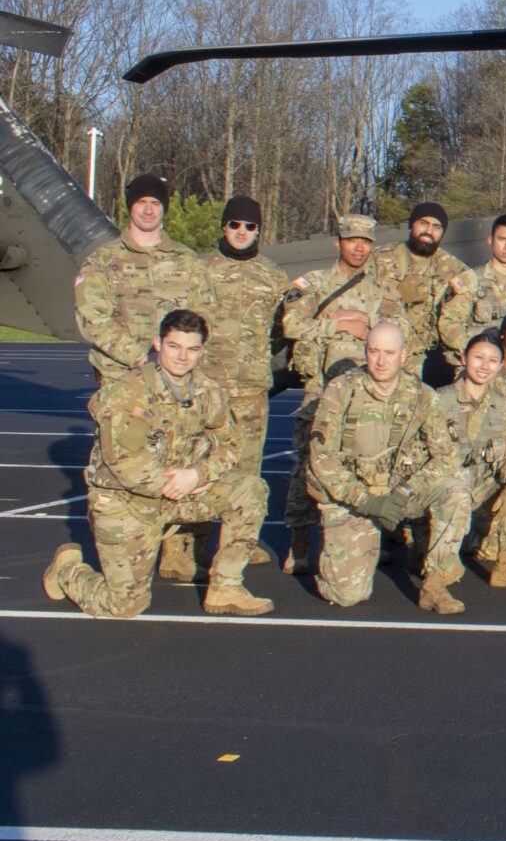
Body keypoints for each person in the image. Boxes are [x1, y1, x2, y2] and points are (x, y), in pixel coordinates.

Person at [43, 309, 272, 618]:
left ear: (202, 350)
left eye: (192, 349)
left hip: (180, 492)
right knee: (123, 606)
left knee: (251, 489)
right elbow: (123, 461)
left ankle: (226, 587)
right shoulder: (128, 393)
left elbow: (230, 444)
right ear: (157, 344)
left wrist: (197, 474)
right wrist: (173, 484)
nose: (182, 357)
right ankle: (68, 569)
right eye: (174, 346)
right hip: (127, 503)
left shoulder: (208, 391)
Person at [307, 320, 472, 614]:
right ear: (365, 352)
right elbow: (322, 457)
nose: (380, 361)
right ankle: (351, 545)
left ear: (403, 355)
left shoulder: (421, 395)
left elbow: (446, 455)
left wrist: (405, 491)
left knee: (455, 490)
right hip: (355, 497)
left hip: (399, 491)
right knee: (347, 595)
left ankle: (434, 584)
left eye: (389, 353)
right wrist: (366, 501)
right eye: (373, 351)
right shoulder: (342, 390)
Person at [279, 214, 405, 574]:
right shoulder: (314, 284)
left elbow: (401, 330)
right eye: (352, 240)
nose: (359, 247)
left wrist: (370, 330)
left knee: (366, 467)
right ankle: (300, 547)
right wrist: (338, 322)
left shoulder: (383, 290)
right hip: (321, 390)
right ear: (338, 242)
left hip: (367, 393)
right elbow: (291, 325)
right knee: (308, 467)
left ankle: (365, 540)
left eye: (365, 242)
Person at [193, 194, 287, 572]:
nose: (242, 232)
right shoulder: (199, 271)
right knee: (198, 464)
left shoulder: (272, 276)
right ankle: (189, 544)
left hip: (250, 391)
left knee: (247, 470)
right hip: (207, 389)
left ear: (258, 231)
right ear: (224, 227)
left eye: (250, 226)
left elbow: (283, 331)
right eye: (235, 224)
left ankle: (238, 543)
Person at [74, 174, 216, 387]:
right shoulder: (103, 260)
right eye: (141, 202)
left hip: (176, 377)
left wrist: (176, 354)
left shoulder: (187, 260)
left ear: (164, 208)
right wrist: (137, 355)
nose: (148, 211)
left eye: (155, 203)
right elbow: (92, 318)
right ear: (131, 206)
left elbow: (204, 313)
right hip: (121, 377)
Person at [438, 330, 506, 592]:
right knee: (444, 574)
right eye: (477, 357)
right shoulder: (439, 401)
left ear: (501, 366)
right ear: (463, 358)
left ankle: (503, 569)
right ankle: (434, 552)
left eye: (492, 360)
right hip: (441, 494)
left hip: (478, 488)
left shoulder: (502, 407)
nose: (484, 366)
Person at [371, 202, 471, 379]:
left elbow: (457, 318)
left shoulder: (455, 269)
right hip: (389, 353)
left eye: (436, 227)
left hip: (433, 355)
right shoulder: (380, 260)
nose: (429, 231)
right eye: (423, 223)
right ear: (411, 225)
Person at [439, 214, 506, 362]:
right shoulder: (470, 280)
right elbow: (449, 323)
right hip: (476, 365)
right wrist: (476, 353)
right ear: (490, 240)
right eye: (502, 239)